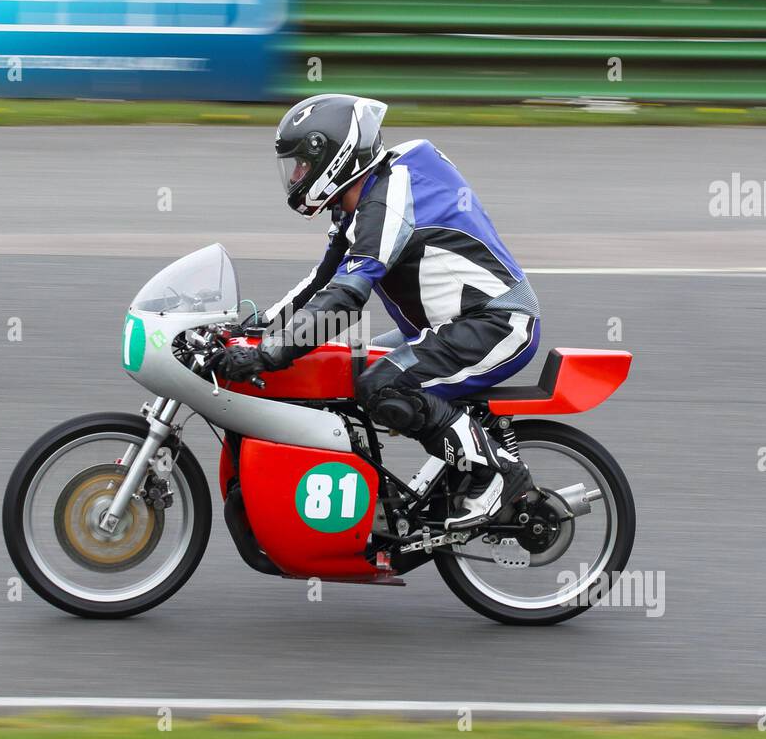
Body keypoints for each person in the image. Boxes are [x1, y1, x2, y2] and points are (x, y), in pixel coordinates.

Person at [216, 94, 540, 529]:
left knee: (382, 386)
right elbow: (321, 282)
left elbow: (348, 298)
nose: (295, 176)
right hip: (449, 327)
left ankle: (497, 477)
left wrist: (268, 355)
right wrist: (255, 329)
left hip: (496, 323)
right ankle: (378, 501)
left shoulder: (387, 199)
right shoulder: (365, 196)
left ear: (335, 157)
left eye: (300, 164)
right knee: (340, 366)